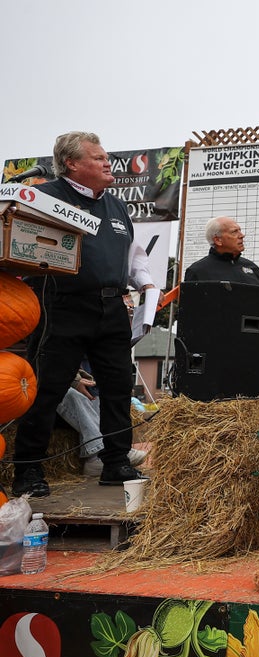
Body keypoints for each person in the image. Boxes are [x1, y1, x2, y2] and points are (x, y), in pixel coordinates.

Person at [12, 131, 153, 497]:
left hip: (111, 306)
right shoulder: (42, 197)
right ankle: (28, 470)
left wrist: (146, 287)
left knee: (119, 387)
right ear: (72, 163)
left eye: (107, 157)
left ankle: (116, 462)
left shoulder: (118, 206)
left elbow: (134, 256)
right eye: (99, 157)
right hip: (60, 303)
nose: (108, 163)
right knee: (47, 388)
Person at [56, 369, 147, 476]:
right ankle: (97, 454)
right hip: (45, 386)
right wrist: (74, 380)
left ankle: (112, 451)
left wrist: (82, 379)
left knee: (95, 393)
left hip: (64, 374)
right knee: (68, 393)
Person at [183, 216, 259, 285]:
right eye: (234, 232)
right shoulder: (198, 271)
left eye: (240, 230)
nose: (242, 235)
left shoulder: (252, 267)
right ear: (217, 240)